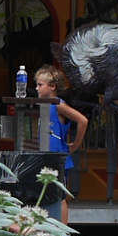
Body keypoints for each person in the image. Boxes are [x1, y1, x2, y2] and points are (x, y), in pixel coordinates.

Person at [26, 62, 86, 220]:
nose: (37, 88)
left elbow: (82, 120)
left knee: (59, 196)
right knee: (46, 193)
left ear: (52, 86)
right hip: (45, 156)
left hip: (57, 157)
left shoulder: (58, 104)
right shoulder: (44, 105)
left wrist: (75, 145)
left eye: (40, 85)